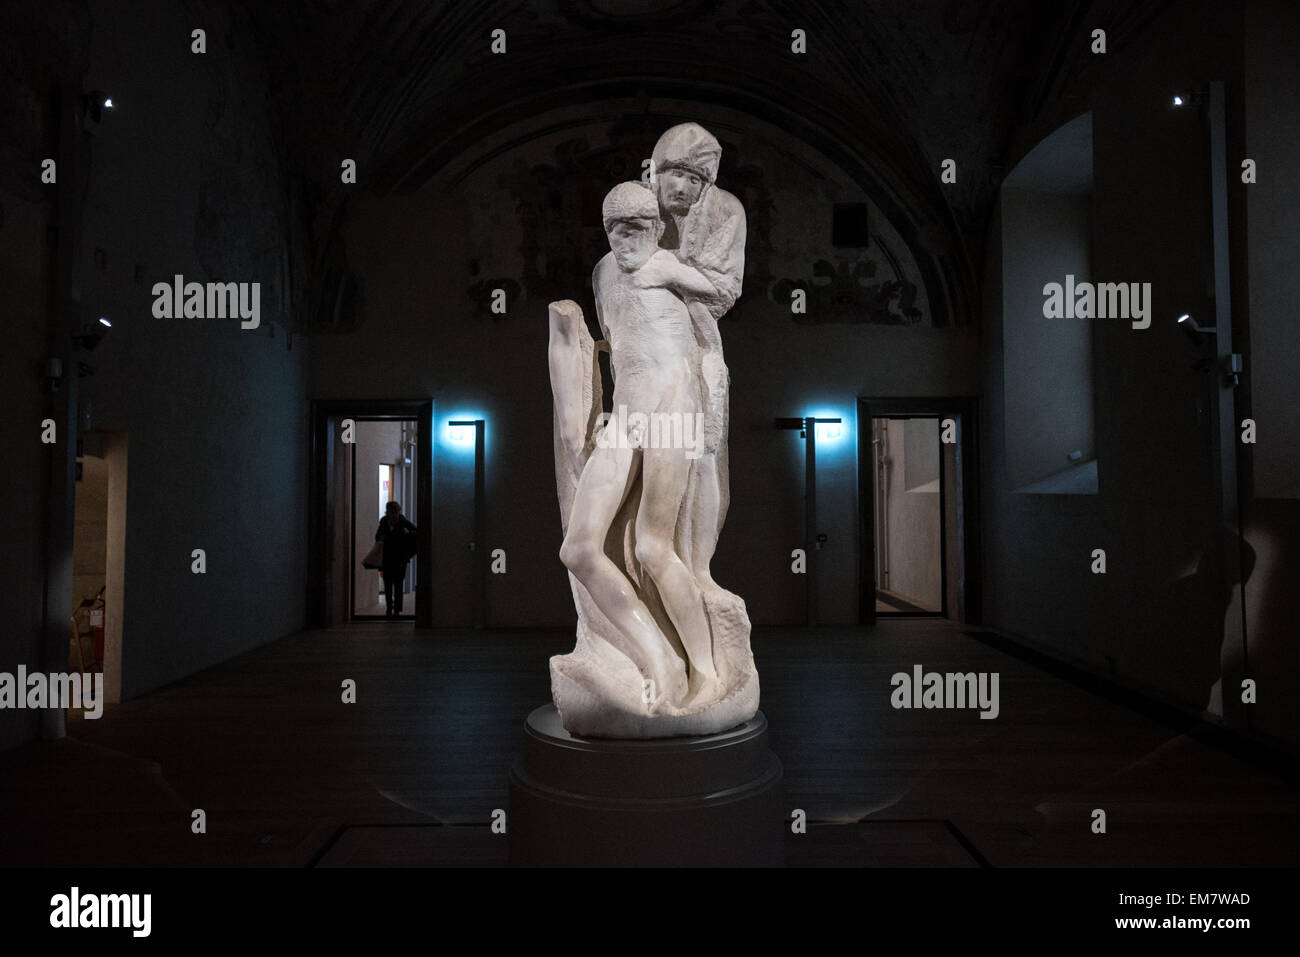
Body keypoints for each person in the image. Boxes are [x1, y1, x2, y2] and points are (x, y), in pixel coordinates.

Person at [558, 181, 723, 710]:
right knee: (578, 549)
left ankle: (708, 673)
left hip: (673, 411)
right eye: (613, 230)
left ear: (655, 228)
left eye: (634, 229)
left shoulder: (670, 268)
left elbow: (720, 299)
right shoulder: (603, 273)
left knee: (654, 547)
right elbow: (613, 344)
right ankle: (660, 657)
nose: (623, 240)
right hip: (626, 415)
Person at [375, 501, 417, 618]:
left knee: (396, 584)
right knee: (390, 584)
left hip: (399, 558)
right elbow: (377, 537)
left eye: (395, 512)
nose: (393, 515)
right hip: (389, 558)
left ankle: (395, 609)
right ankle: (391, 608)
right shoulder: (384, 523)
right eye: (391, 512)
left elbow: (417, 532)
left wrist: (409, 533)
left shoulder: (402, 523)